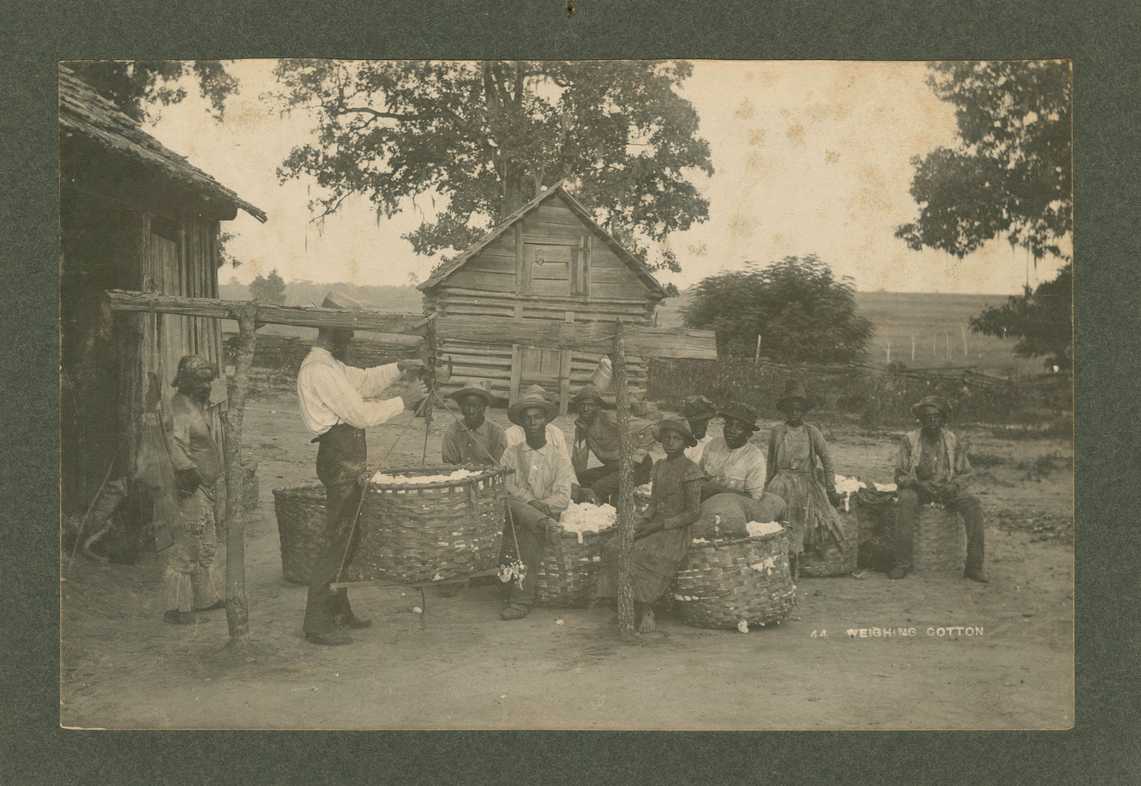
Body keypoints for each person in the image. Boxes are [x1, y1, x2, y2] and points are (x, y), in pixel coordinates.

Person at [297, 292, 427, 646]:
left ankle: (338, 610)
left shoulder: (332, 366)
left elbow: (365, 381)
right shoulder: (318, 370)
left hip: (347, 456)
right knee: (337, 538)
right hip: (339, 457)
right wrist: (404, 402)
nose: (352, 336)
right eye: (348, 330)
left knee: (349, 536)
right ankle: (317, 622)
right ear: (330, 330)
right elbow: (359, 413)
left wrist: (399, 368)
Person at [593, 416, 704, 633]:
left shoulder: (691, 470)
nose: (670, 442)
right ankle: (622, 603)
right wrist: (641, 522)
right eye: (667, 438)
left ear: (685, 443)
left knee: (644, 552)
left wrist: (661, 525)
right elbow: (653, 504)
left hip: (675, 529)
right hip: (654, 522)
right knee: (614, 545)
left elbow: (693, 512)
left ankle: (647, 608)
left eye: (676, 438)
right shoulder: (660, 466)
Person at [890, 395, 988, 583]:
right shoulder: (909, 440)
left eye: (936, 417)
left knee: (973, 504)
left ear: (943, 419)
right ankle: (902, 563)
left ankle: (974, 566)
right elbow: (900, 475)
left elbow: (966, 472)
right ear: (921, 420)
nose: (932, 421)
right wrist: (918, 484)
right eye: (928, 417)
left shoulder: (952, 440)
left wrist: (953, 485)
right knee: (905, 500)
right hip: (919, 489)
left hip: (946, 489)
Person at [498, 385, 576, 620]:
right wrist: (532, 504)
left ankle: (521, 601)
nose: (532, 422)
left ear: (546, 421)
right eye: (527, 418)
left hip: (544, 515)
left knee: (530, 533)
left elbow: (563, 496)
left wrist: (541, 507)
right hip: (517, 514)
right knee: (508, 502)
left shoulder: (558, 458)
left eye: (538, 417)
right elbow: (505, 487)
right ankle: (540, 522)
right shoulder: (511, 454)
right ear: (521, 423)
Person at [162, 355, 224, 624]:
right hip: (191, 485)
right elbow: (175, 448)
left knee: (206, 543)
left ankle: (205, 598)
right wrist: (189, 477)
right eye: (201, 382)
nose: (207, 387)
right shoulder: (179, 409)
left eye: (208, 381)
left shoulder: (197, 405)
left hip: (205, 485)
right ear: (187, 382)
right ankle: (176, 608)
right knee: (187, 545)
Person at [765, 380, 844, 580]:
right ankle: (778, 557)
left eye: (798, 408)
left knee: (802, 516)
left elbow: (827, 460)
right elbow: (771, 462)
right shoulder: (777, 432)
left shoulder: (812, 432)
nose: (794, 412)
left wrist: (830, 488)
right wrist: (765, 487)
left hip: (805, 482)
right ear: (785, 410)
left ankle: (796, 558)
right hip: (781, 481)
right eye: (790, 408)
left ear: (803, 411)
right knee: (773, 516)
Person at [570, 384, 653, 505]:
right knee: (583, 478)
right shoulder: (581, 427)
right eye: (582, 405)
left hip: (637, 467)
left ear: (597, 406)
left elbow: (649, 428)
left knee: (599, 487)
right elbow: (580, 463)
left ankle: (604, 509)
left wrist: (637, 457)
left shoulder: (609, 418)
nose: (585, 409)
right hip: (615, 467)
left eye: (590, 405)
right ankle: (602, 508)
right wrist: (582, 434)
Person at [700, 401, 767, 500]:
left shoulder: (754, 458)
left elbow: (753, 498)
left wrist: (718, 490)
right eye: (729, 424)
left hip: (734, 507)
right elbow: (699, 477)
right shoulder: (713, 445)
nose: (731, 430)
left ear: (748, 434)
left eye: (739, 427)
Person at [441, 380, 507, 465]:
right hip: (458, 473)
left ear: (483, 408)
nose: (471, 411)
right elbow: (449, 463)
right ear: (461, 407)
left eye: (476, 406)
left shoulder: (496, 432)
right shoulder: (453, 430)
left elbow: (500, 464)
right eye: (467, 406)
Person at [681, 395, 717, 464]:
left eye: (700, 423)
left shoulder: (712, 444)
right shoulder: (684, 443)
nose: (695, 427)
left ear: (706, 423)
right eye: (692, 423)